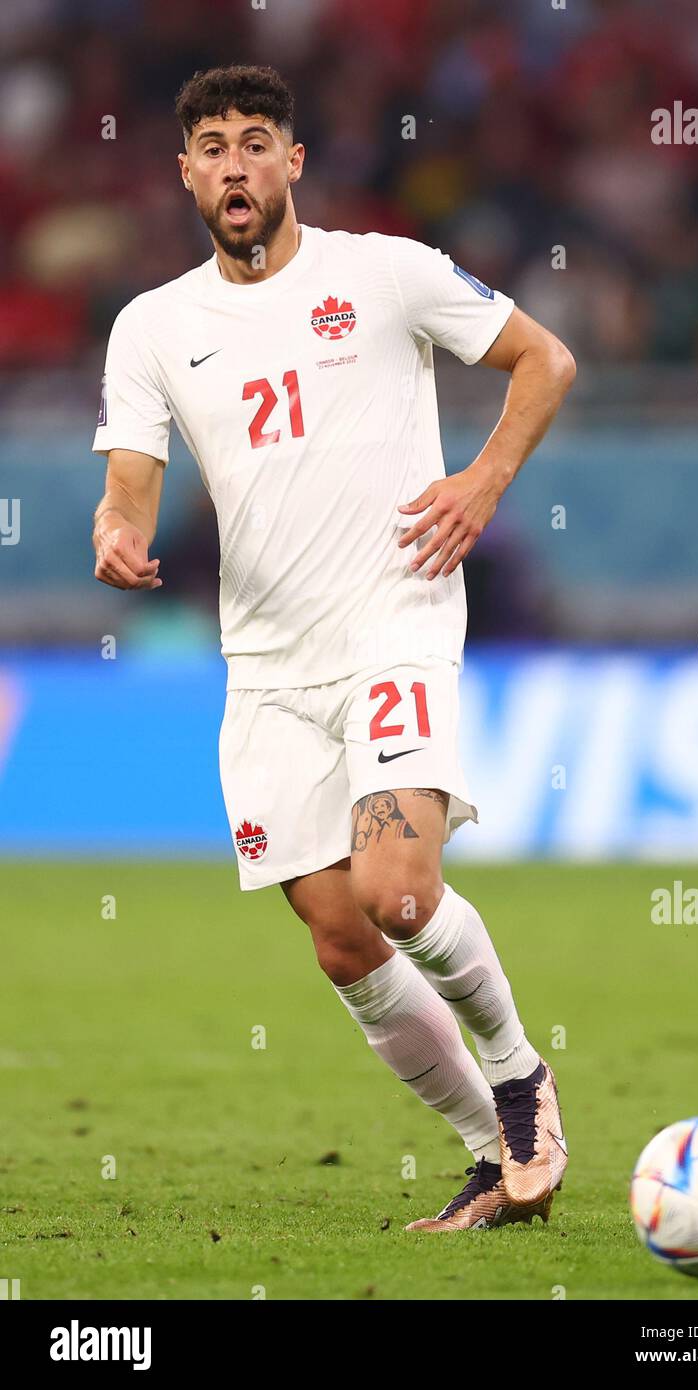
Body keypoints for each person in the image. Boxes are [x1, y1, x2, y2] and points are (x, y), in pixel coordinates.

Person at [91, 64, 576, 1231]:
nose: (236, 163)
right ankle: (486, 1154)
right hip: (264, 669)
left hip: (393, 626)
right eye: (213, 144)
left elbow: (543, 360)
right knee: (340, 939)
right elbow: (131, 486)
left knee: (400, 895)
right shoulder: (153, 325)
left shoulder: (385, 273)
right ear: (187, 173)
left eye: (258, 141)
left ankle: (518, 1076)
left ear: (292, 162)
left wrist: (482, 481)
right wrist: (116, 531)